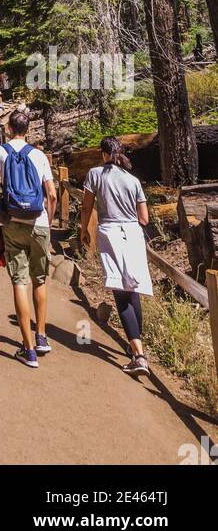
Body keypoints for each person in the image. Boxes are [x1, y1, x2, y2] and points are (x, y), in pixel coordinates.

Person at [0, 106, 57, 368]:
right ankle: (42, 336)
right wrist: (48, 222)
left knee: (20, 281)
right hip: (39, 222)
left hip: (12, 222)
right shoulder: (39, 156)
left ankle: (28, 349)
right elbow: (51, 194)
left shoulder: (0, 152)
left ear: (8, 129)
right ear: (28, 130)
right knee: (40, 279)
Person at [80, 137, 153, 376]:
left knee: (121, 295)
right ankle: (137, 347)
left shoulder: (95, 174)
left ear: (103, 154)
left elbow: (87, 207)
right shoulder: (133, 180)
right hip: (132, 232)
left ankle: (139, 356)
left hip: (110, 231)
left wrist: (83, 231)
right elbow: (144, 219)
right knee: (133, 290)